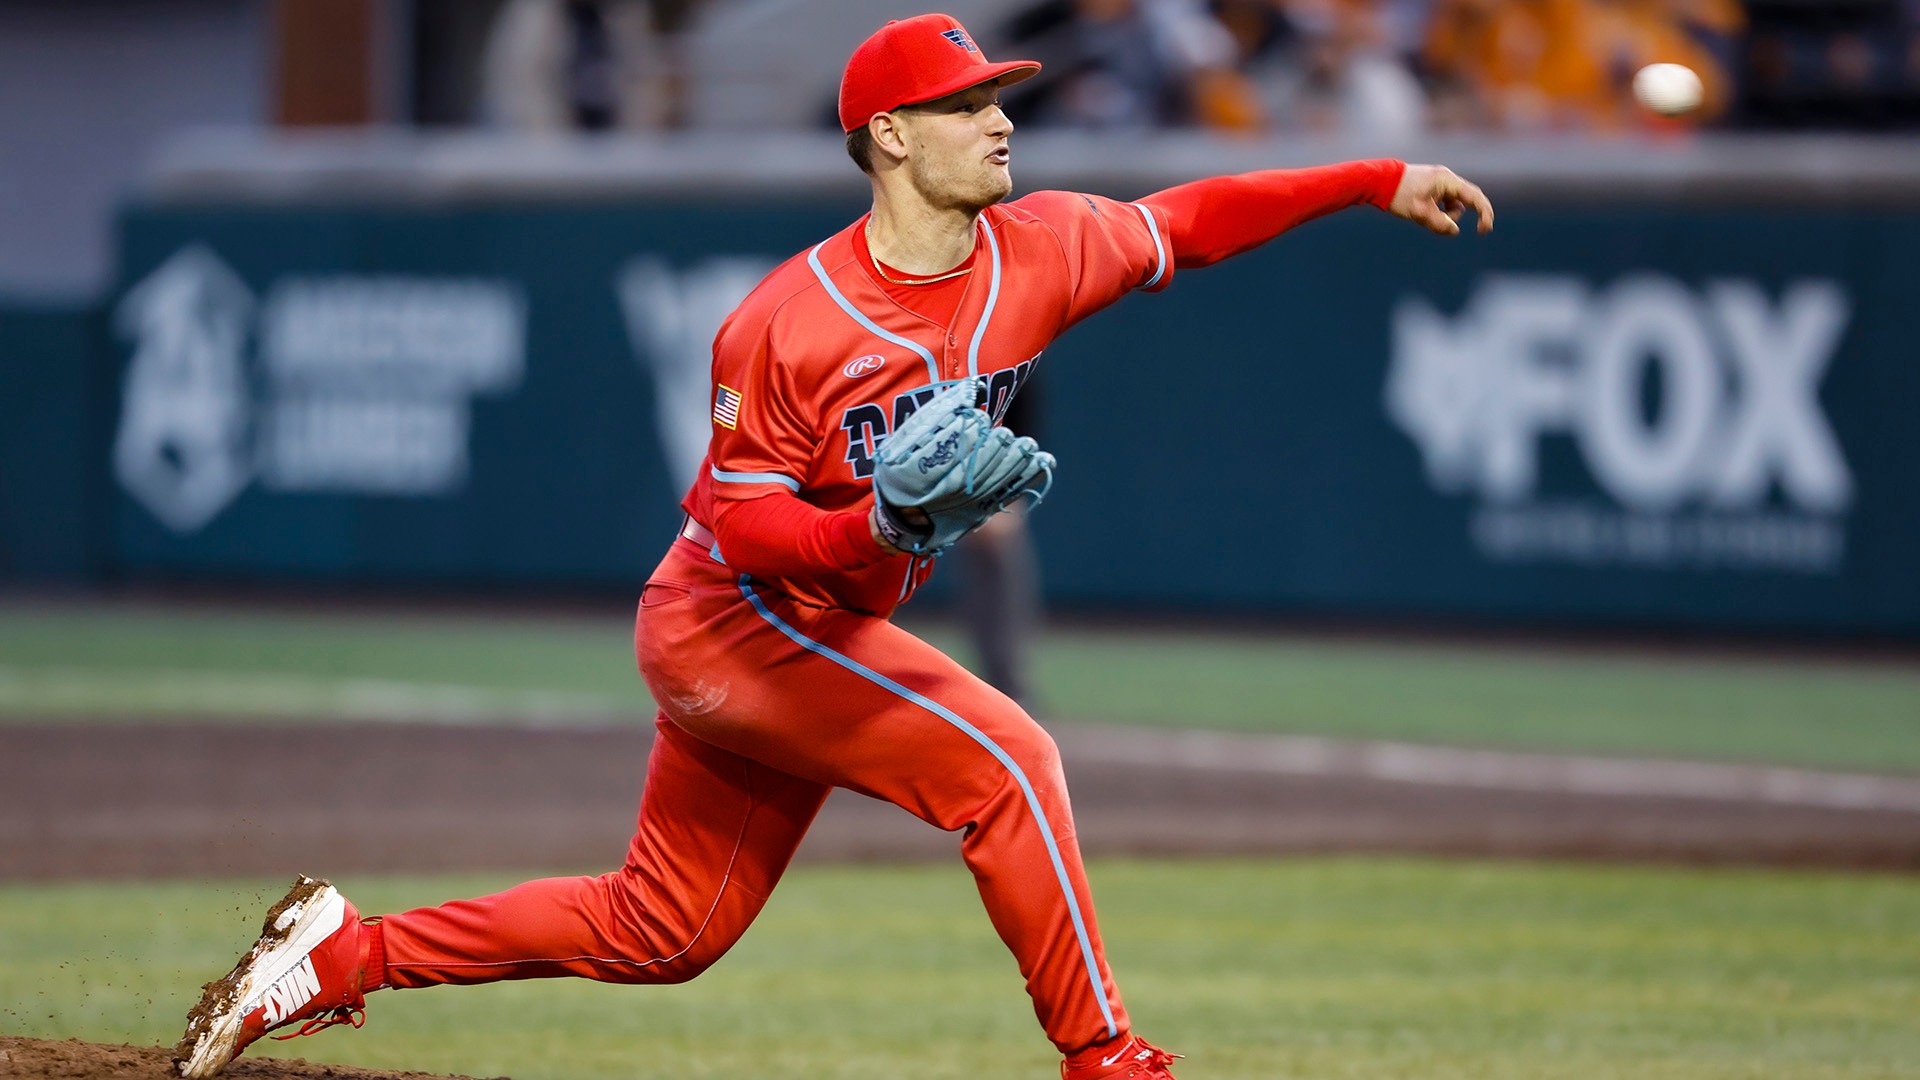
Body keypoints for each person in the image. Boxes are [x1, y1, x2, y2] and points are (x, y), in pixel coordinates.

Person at [171, 13, 1492, 1080]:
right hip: (730, 619)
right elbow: (739, 518)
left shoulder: (1042, 250)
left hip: (815, 625)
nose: (1000, 119)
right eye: (970, 103)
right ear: (889, 138)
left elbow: (1196, 220)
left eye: (1000, 97)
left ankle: (344, 954)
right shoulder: (788, 320)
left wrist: (1375, 177)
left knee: (664, 930)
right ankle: (1110, 1061)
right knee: (1010, 765)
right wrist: (875, 524)